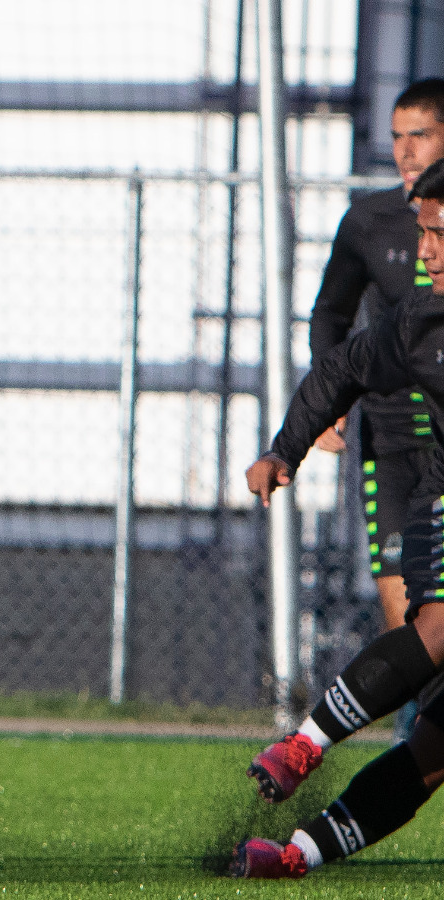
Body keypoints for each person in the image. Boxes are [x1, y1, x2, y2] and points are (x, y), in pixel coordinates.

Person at [230, 157, 444, 877]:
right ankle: (304, 746)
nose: (426, 254)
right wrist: (285, 449)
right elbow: (340, 369)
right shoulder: (421, 324)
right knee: (440, 626)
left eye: (440, 235)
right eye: (422, 235)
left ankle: (297, 853)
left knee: (437, 750)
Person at [306, 78, 444, 744]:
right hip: (390, 448)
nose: (405, 149)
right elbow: (330, 314)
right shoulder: (367, 220)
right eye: (397, 135)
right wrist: (328, 402)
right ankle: (415, 740)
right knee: (408, 621)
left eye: (421, 134)